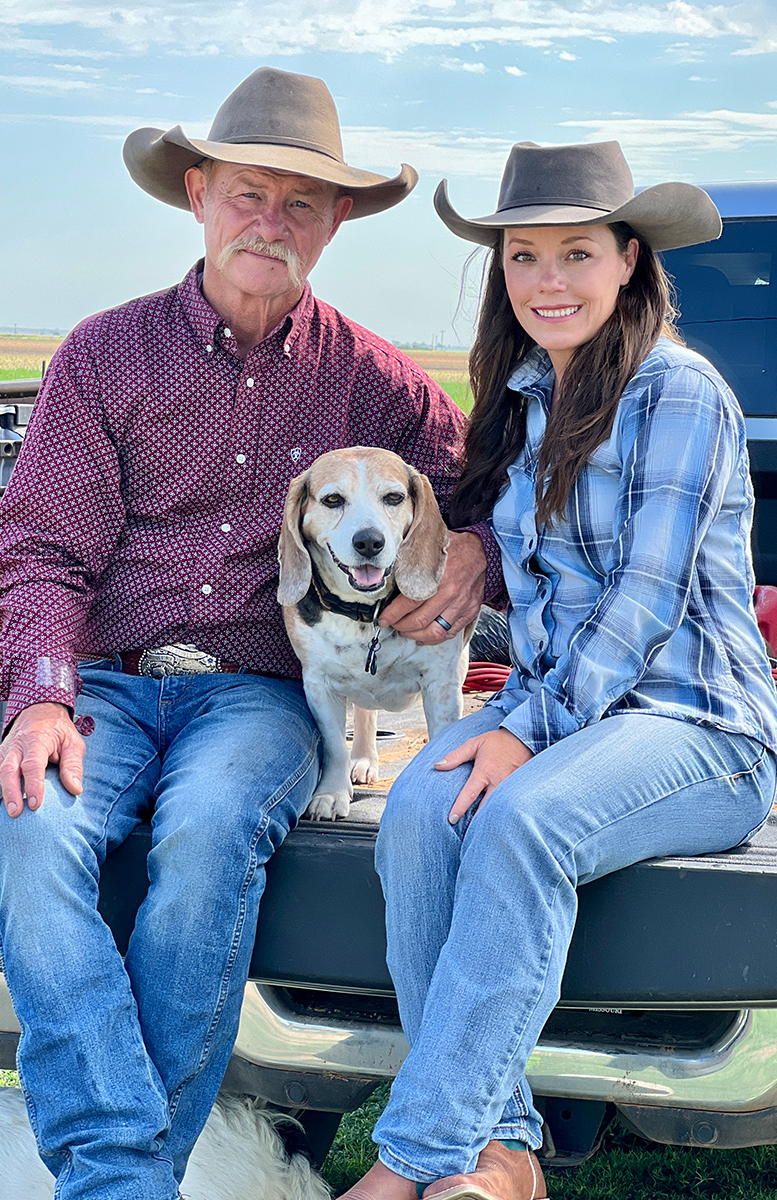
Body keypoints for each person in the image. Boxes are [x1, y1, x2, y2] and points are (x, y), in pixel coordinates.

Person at [0, 67, 494, 1200]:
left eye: (301, 203)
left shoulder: (374, 379)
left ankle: (118, 1177)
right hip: (104, 686)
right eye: (248, 192)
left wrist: (466, 552)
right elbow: (41, 549)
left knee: (212, 836)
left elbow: (476, 489)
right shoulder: (105, 355)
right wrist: (43, 696)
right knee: (26, 832)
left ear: (337, 224)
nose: (272, 220)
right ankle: (129, 1172)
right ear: (199, 195)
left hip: (261, 696)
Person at [341, 140, 777, 1200]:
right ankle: (501, 1151)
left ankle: (410, 1162)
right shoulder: (528, 398)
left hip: (700, 733)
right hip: (572, 717)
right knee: (413, 809)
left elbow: (641, 601)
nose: (547, 280)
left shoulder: (679, 391)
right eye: (523, 255)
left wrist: (519, 731)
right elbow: (510, 567)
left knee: (519, 818)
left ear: (627, 259)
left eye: (574, 254)